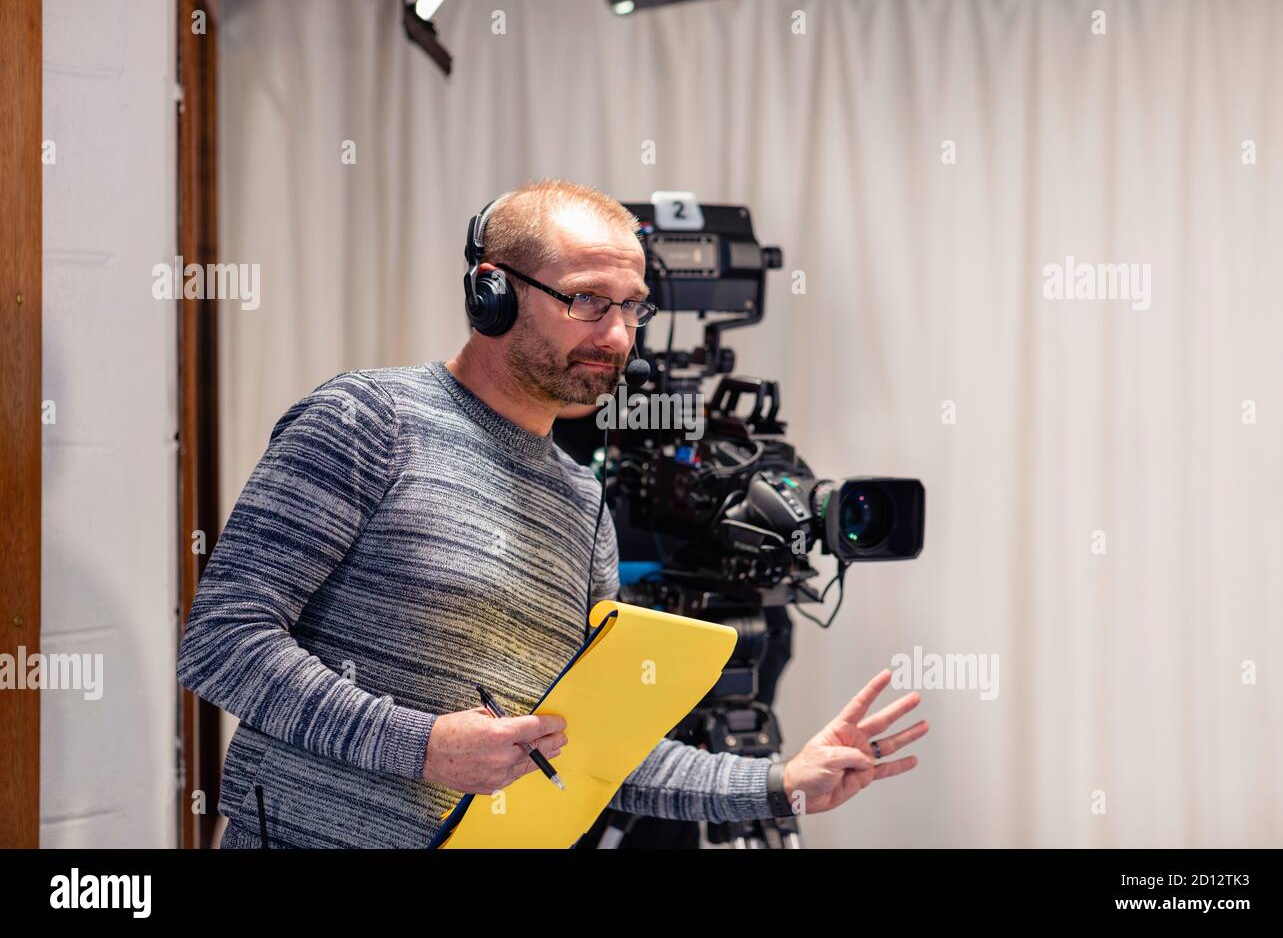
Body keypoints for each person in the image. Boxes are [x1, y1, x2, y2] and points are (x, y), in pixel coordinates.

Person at [177, 178, 928, 849]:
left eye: (633, 307)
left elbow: (592, 747)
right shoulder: (368, 420)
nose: (617, 336)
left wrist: (778, 782)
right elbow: (221, 641)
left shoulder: (581, 501)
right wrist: (423, 746)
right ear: (491, 292)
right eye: (587, 300)